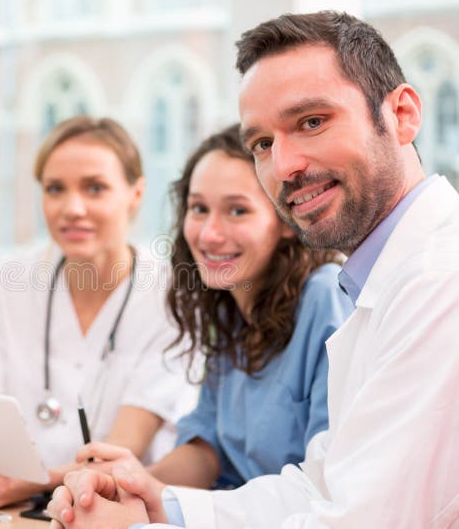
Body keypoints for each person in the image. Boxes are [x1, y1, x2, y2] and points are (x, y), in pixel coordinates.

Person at [47, 11, 459, 528]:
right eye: (262, 143)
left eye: (312, 121)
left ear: (402, 114)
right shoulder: (380, 282)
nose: (283, 167)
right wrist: (156, 507)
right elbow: (319, 483)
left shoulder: (447, 285)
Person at [0, 115, 198, 507]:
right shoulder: (9, 281)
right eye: (55, 189)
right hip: (10, 512)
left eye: (95, 188)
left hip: (114, 511)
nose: (72, 208)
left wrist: (36, 481)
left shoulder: (171, 295)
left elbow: (121, 451)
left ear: (136, 194)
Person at [74, 125, 352, 492]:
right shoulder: (228, 312)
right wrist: (125, 486)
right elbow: (208, 453)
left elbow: (327, 478)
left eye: (237, 211)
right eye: (199, 209)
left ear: (288, 220)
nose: (208, 235)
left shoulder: (325, 297)